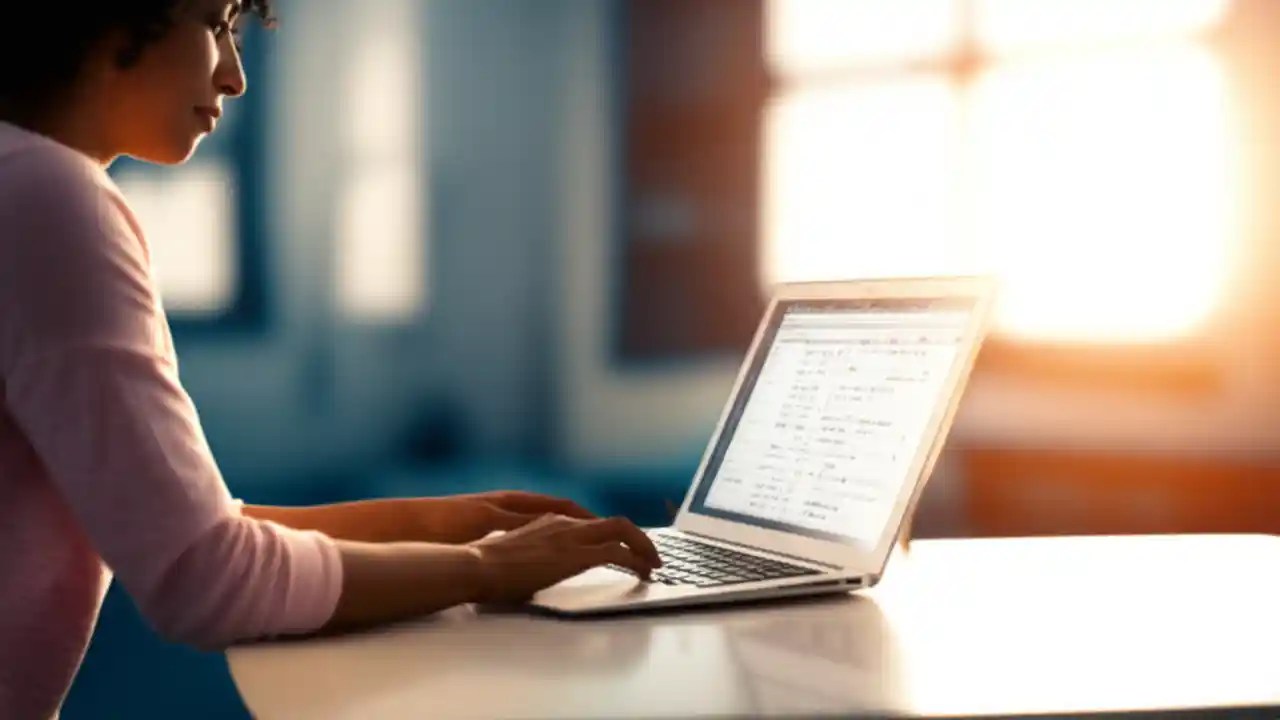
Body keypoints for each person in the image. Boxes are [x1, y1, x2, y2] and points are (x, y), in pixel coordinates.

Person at [0, 2, 661, 717]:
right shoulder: (52, 201)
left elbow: (187, 528)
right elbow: (204, 579)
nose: (235, 77)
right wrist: (485, 568)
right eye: (217, 25)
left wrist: (437, 526)